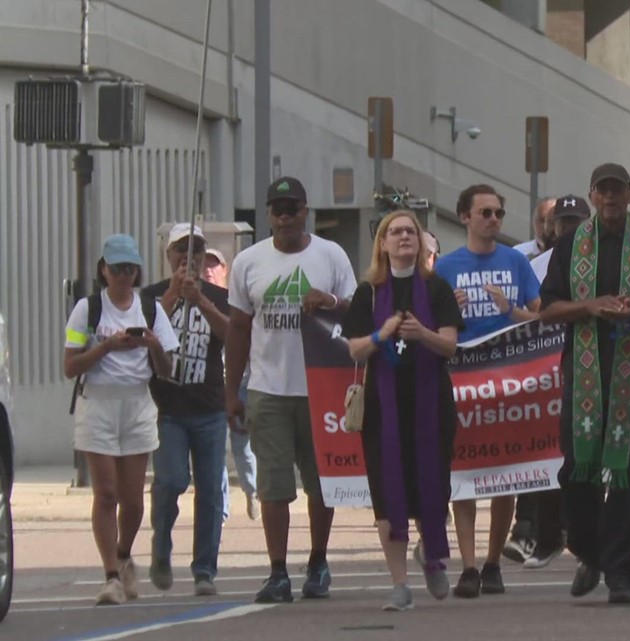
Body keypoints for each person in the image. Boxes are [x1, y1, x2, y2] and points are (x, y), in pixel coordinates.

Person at [540, 162, 630, 604]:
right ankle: (589, 550)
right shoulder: (570, 245)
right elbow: (548, 309)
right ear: (593, 196)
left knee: (626, 477)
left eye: (617, 190)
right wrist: (592, 306)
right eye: (602, 190)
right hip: (583, 380)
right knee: (576, 474)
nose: (610, 197)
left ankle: (622, 575)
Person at [225, 177, 358, 603]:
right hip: (268, 387)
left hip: (320, 385)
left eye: (292, 209)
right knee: (273, 484)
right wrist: (233, 390)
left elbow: (358, 311)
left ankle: (318, 561)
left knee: (321, 484)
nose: (284, 217)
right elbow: (238, 329)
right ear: (267, 214)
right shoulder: (247, 263)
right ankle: (278, 570)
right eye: (277, 209)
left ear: (306, 211)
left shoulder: (330, 255)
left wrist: (331, 301)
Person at [342, 211, 462, 610]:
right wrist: (383, 333)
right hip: (383, 406)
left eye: (411, 231)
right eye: (395, 232)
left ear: (422, 242)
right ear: (383, 243)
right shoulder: (370, 293)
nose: (404, 237)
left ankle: (432, 556)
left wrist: (420, 334)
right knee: (386, 493)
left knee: (434, 485)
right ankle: (399, 584)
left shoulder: (438, 288)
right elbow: (356, 349)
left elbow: (449, 345)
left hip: (430, 401)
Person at [433, 184, 541, 598]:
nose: (493, 220)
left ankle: (494, 562)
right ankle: (469, 565)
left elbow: (538, 315)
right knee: (464, 472)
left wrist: (508, 310)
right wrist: (452, 314)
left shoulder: (515, 261)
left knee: (505, 473)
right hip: (462, 379)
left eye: (498, 213)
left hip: (508, 379)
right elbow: (431, 323)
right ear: (465, 217)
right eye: (485, 213)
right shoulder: (445, 267)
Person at [64, 234, 179, 605]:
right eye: (116, 269)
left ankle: (124, 554)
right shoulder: (87, 309)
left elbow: (166, 369)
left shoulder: (151, 310)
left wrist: (152, 344)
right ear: (104, 270)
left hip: (137, 403)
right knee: (106, 493)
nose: (123, 276)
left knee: (132, 501)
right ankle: (111, 574)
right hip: (98, 402)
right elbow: (69, 366)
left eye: (130, 269)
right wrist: (106, 346)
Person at [141, 224, 231, 597]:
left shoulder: (217, 295)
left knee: (210, 491)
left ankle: (204, 569)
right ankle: (161, 549)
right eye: (181, 251)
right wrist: (173, 298)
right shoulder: (151, 297)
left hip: (209, 407)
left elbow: (232, 335)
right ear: (169, 255)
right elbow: (140, 333)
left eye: (195, 253)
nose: (188, 259)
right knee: (171, 481)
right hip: (167, 408)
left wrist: (202, 303)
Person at [507, 194, 592, 569]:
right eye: (563, 221)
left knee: (585, 457)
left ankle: (582, 534)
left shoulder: (605, 260)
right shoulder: (535, 266)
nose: (569, 228)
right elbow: (528, 317)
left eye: (576, 221)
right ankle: (545, 537)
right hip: (544, 374)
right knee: (546, 454)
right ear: (551, 226)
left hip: (590, 370)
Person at [201, 251, 260, 523]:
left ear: (224, 269)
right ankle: (220, 509)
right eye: (202, 266)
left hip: (241, 382)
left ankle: (252, 491)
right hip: (211, 385)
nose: (207, 271)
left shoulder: (237, 301)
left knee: (242, 447)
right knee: (216, 450)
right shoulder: (195, 302)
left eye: (212, 266)